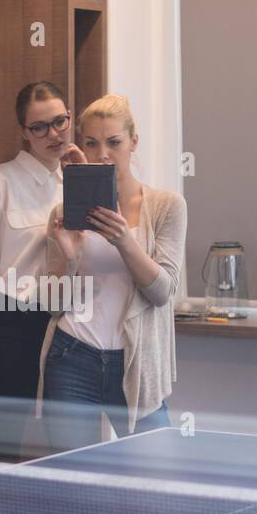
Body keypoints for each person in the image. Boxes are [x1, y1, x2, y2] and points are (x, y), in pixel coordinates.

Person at [39, 94, 187, 452]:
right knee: (74, 487)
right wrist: (71, 256)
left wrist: (124, 240)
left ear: (133, 143)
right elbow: (52, 306)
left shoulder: (167, 206)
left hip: (135, 363)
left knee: (153, 486)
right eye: (91, 143)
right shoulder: (64, 211)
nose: (102, 153)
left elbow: (163, 291)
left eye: (114, 142)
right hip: (72, 356)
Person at [0, 81, 85, 461]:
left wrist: (87, 178)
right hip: (12, 323)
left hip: (67, 327)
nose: (54, 134)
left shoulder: (78, 180)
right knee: (0, 451)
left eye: (60, 122)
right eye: (40, 127)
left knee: (64, 450)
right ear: (24, 132)